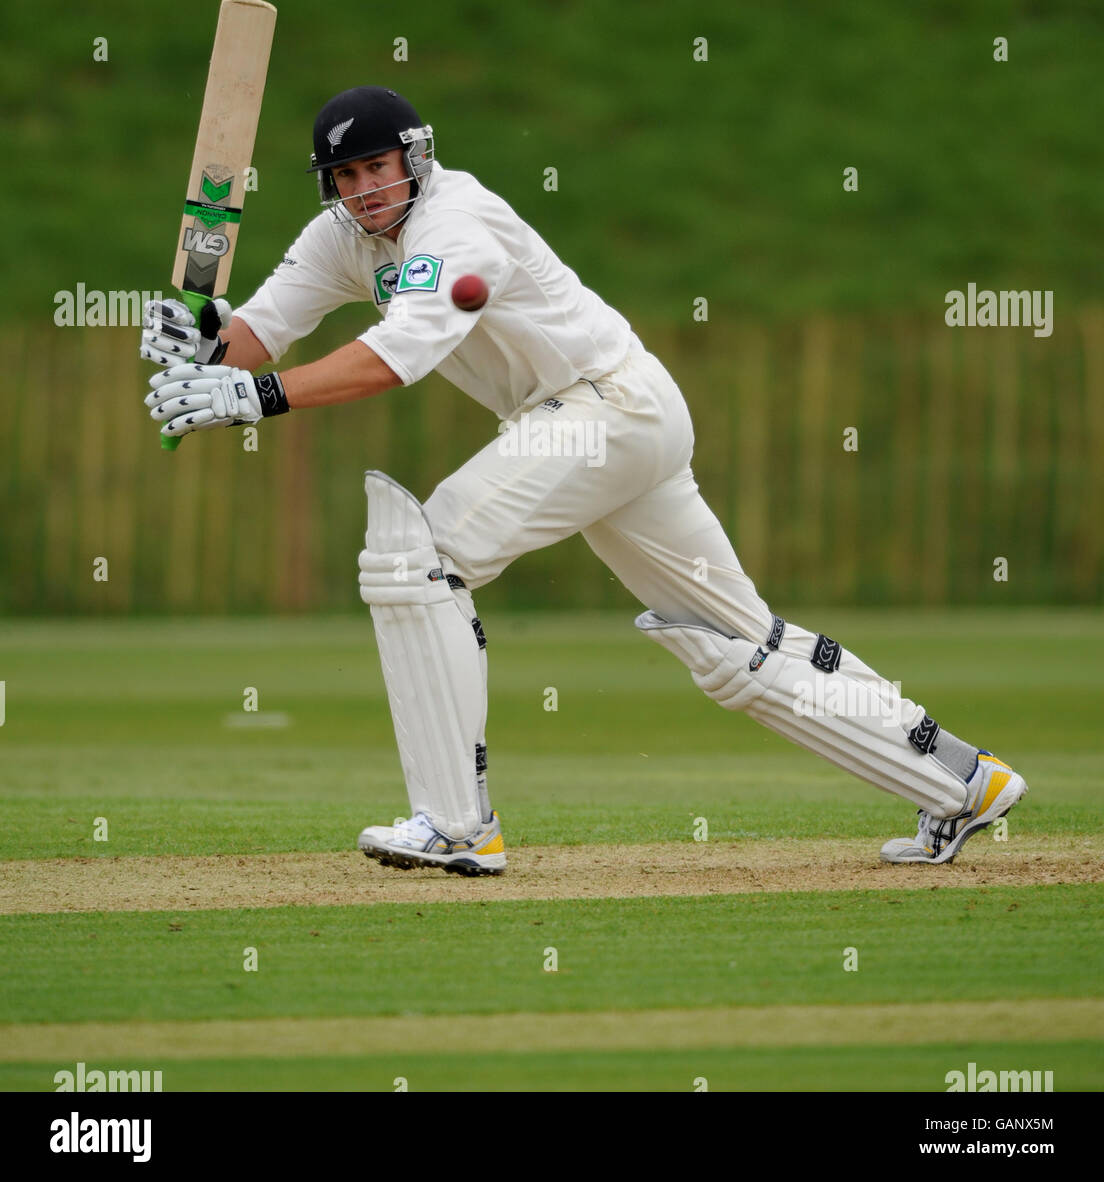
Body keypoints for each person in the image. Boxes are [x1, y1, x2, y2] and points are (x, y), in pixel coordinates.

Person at [141, 86, 1027, 876]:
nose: (364, 189)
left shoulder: (456, 220)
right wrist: (206, 341)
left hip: (603, 406)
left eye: (377, 167)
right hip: (606, 418)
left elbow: (398, 355)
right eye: (344, 176)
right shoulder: (343, 236)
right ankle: (960, 779)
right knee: (735, 647)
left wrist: (253, 396)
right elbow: (263, 328)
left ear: (415, 158)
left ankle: (456, 826)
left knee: (423, 556)